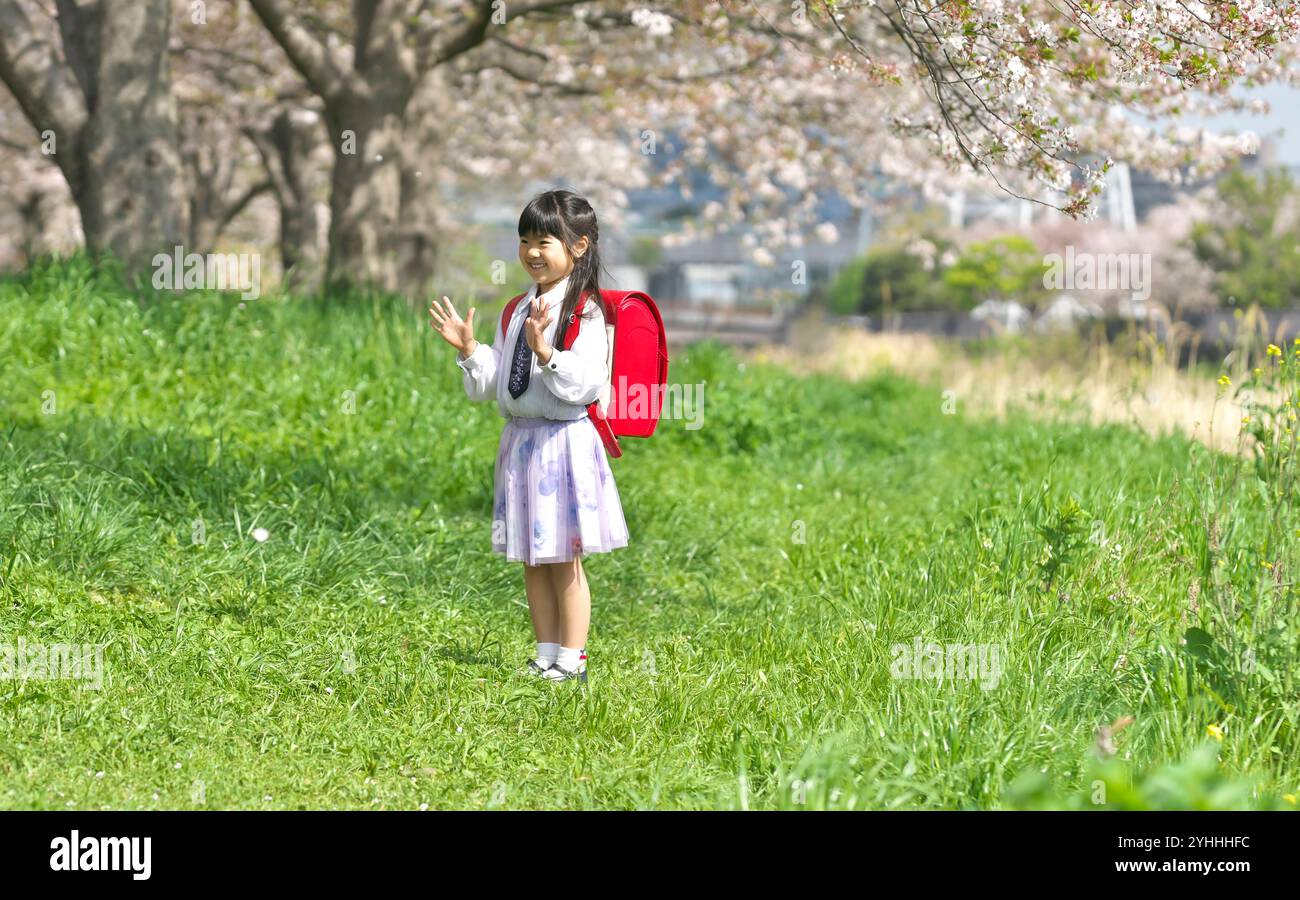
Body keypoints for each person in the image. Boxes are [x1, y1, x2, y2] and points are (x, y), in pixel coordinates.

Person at [428, 189, 629, 683]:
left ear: (579, 246)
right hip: (521, 443)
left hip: (564, 444)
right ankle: (545, 653)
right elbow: (495, 384)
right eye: (524, 241)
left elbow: (586, 385)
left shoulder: (585, 312)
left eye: (545, 240)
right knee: (533, 555)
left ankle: (572, 659)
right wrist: (471, 349)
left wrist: (548, 354)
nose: (532, 252)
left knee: (565, 559)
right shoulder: (517, 309)